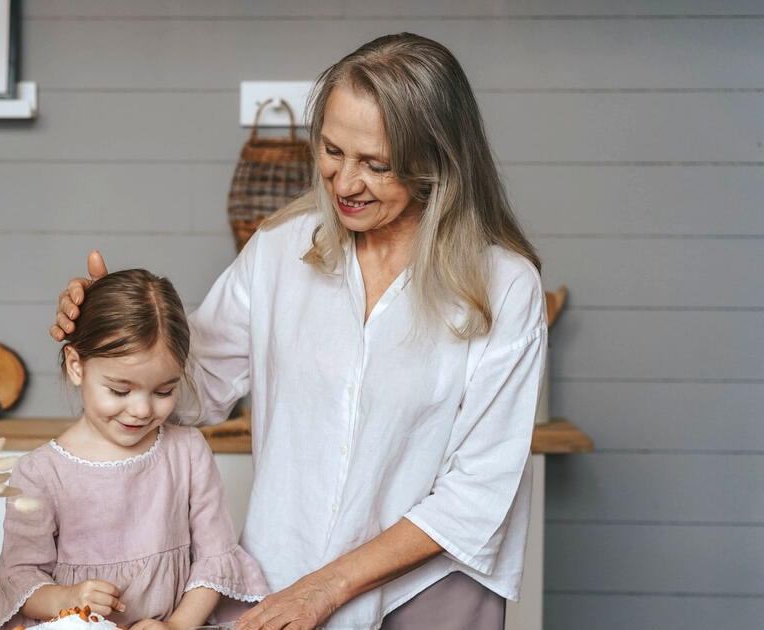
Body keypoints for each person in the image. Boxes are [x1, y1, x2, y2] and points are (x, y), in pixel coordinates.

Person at [51, 33, 547, 630]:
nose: (343, 183)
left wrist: (326, 589)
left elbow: (478, 491)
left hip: (428, 594)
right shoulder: (281, 251)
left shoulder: (504, 287)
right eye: (332, 151)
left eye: (376, 165)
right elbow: (197, 388)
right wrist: (119, 342)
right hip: (278, 576)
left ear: (437, 162)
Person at [0, 269, 269, 630]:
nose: (141, 409)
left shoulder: (188, 453)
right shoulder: (40, 473)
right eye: (120, 391)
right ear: (77, 366)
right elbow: (20, 578)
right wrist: (68, 599)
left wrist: (177, 626)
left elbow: (215, 559)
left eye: (164, 391)